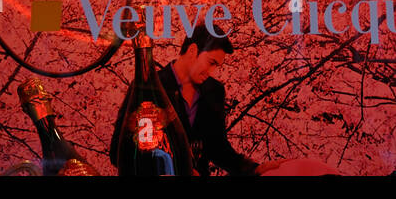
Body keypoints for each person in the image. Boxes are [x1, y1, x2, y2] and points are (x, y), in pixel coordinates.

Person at [109, 25, 281, 176]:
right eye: (211, 62)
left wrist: (254, 169)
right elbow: (119, 150)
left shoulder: (214, 91)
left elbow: (218, 147)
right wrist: (177, 169)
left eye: (217, 66)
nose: (211, 71)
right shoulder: (149, 88)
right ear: (192, 51)